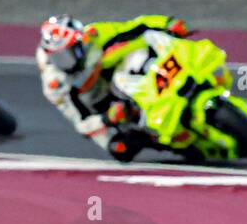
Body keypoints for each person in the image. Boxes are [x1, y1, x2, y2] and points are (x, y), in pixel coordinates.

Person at [36, 13, 191, 160]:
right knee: (120, 149)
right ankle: (172, 142)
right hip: (98, 106)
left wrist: (167, 23)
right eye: (58, 57)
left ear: (80, 42)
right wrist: (106, 118)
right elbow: (81, 124)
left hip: (113, 73)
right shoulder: (55, 84)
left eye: (68, 54)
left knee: (141, 48)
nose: (64, 62)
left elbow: (133, 26)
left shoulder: (93, 34)